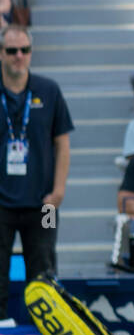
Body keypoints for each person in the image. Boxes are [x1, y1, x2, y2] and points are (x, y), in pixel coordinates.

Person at [0, 25, 70, 317]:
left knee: (44, 276)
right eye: (12, 50)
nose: (19, 56)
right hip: (1, 203)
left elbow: (62, 143)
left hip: (45, 203)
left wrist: (59, 191)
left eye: (25, 50)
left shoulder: (49, 90)